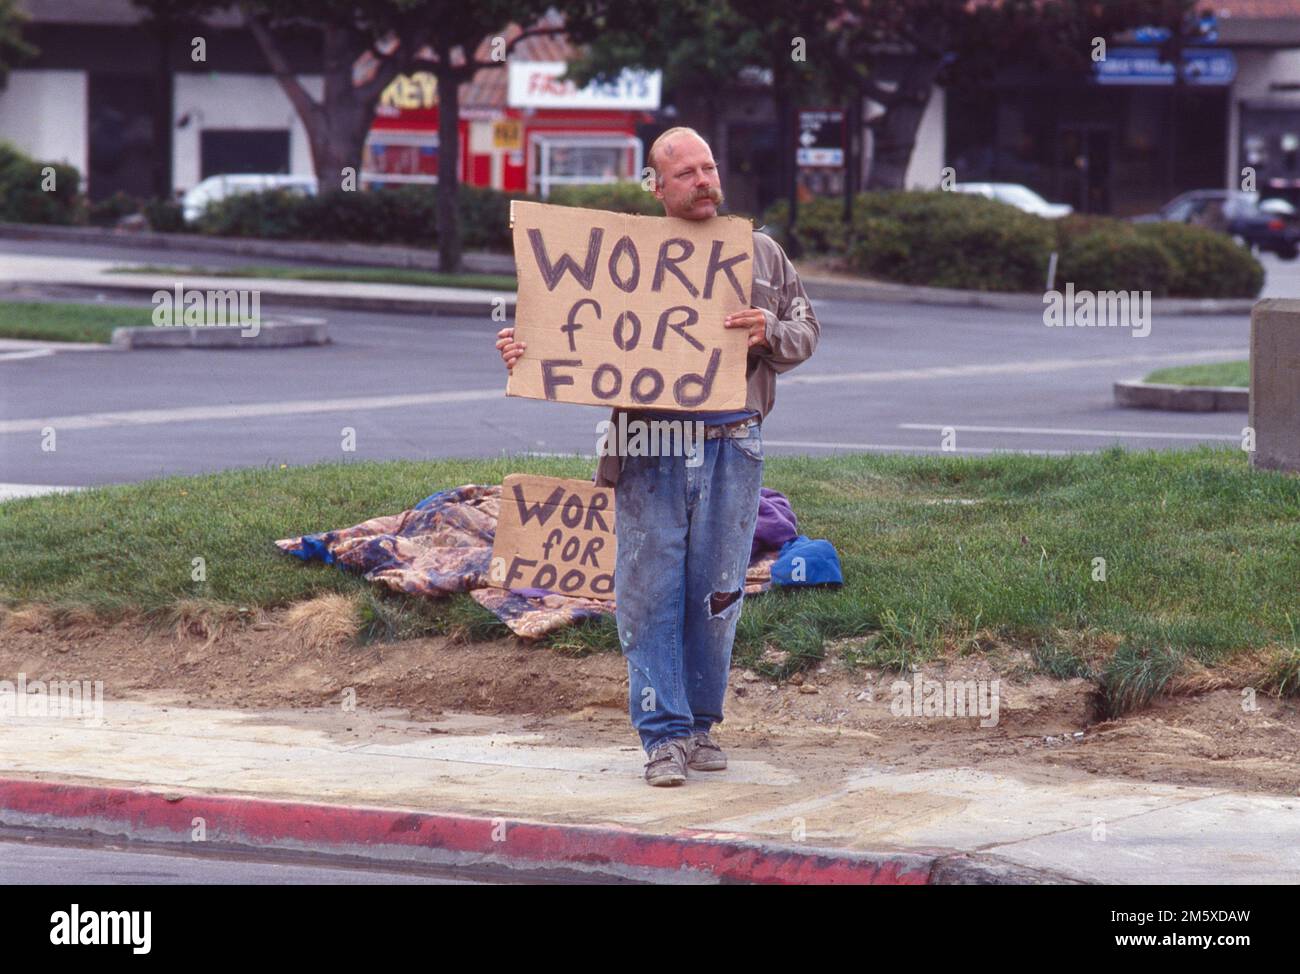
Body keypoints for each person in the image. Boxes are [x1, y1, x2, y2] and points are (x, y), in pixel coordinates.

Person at [496, 127, 819, 785]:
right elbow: (574, 338)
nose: (704, 180)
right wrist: (528, 352)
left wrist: (770, 332)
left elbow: (807, 331)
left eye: (709, 167)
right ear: (658, 186)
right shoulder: (623, 257)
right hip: (648, 447)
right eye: (687, 173)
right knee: (650, 594)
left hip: (734, 444)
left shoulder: (758, 252)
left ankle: (700, 727)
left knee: (717, 593)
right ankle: (662, 738)